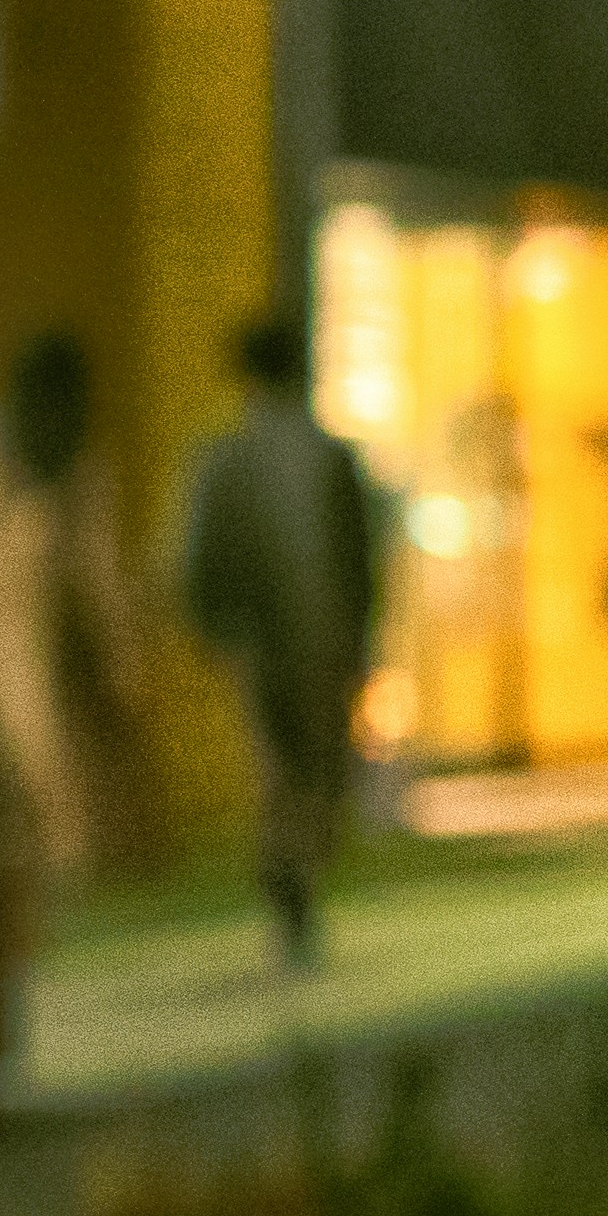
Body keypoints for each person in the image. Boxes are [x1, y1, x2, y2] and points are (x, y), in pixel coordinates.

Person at [0, 330, 158, 1076]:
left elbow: (97, 577)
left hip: (27, 665)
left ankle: (10, 989)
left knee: (33, 818)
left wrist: (123, 664)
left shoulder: (77, 465)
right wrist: (25, 539)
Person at [171, 309, 385, 966]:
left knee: (282, 763)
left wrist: (214, 628)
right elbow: (360, 559)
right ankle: (296, 879)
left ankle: (289, 878)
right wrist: (362, 637)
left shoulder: (227, 459)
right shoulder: (329, 457)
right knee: (315, 765)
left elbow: (197, 556)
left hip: (263, 641)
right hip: (319, 637)